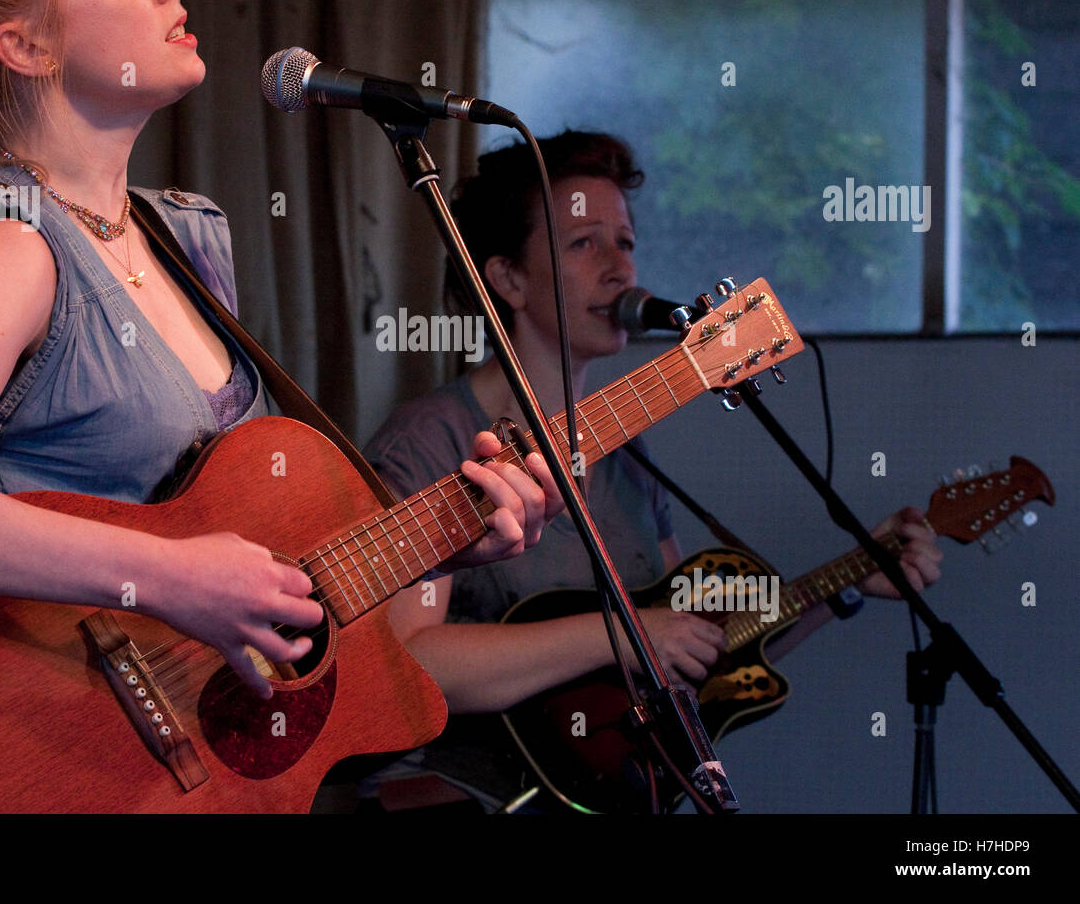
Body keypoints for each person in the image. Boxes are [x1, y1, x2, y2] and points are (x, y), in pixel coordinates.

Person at [0, 0, 560, 778]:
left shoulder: (186, 237)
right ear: (29, 46)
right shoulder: (9, 248)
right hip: (57, 748)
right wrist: (166, 576)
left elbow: (249, 563)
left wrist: (444, 540)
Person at [363, 131, 943, 808]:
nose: (619, 269)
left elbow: (688, 641)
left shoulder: (627, 454)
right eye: (583, 243)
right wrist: (627, 638)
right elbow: (412, 660)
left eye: (627, 242)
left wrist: (846, 582)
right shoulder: (433, 440)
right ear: (507, 278)